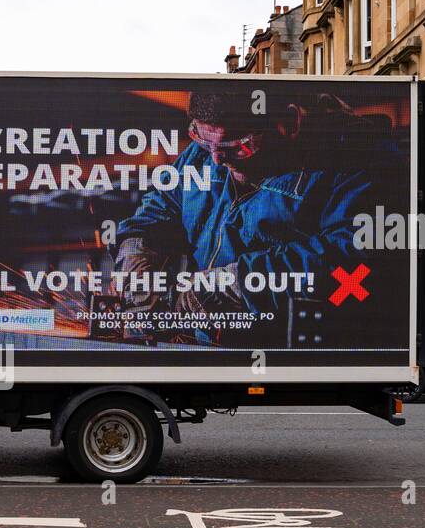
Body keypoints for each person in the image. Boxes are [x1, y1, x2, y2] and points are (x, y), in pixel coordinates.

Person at [110, 90, 390, 346]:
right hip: (211, 343)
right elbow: (154, 215)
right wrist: (135, 259)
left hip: (290, 347)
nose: (218, 160)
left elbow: (355, 252)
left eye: (239, 147)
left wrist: (232, 284)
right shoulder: (201, 156)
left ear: (289, 123)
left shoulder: (350, 157)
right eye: (203, 140)